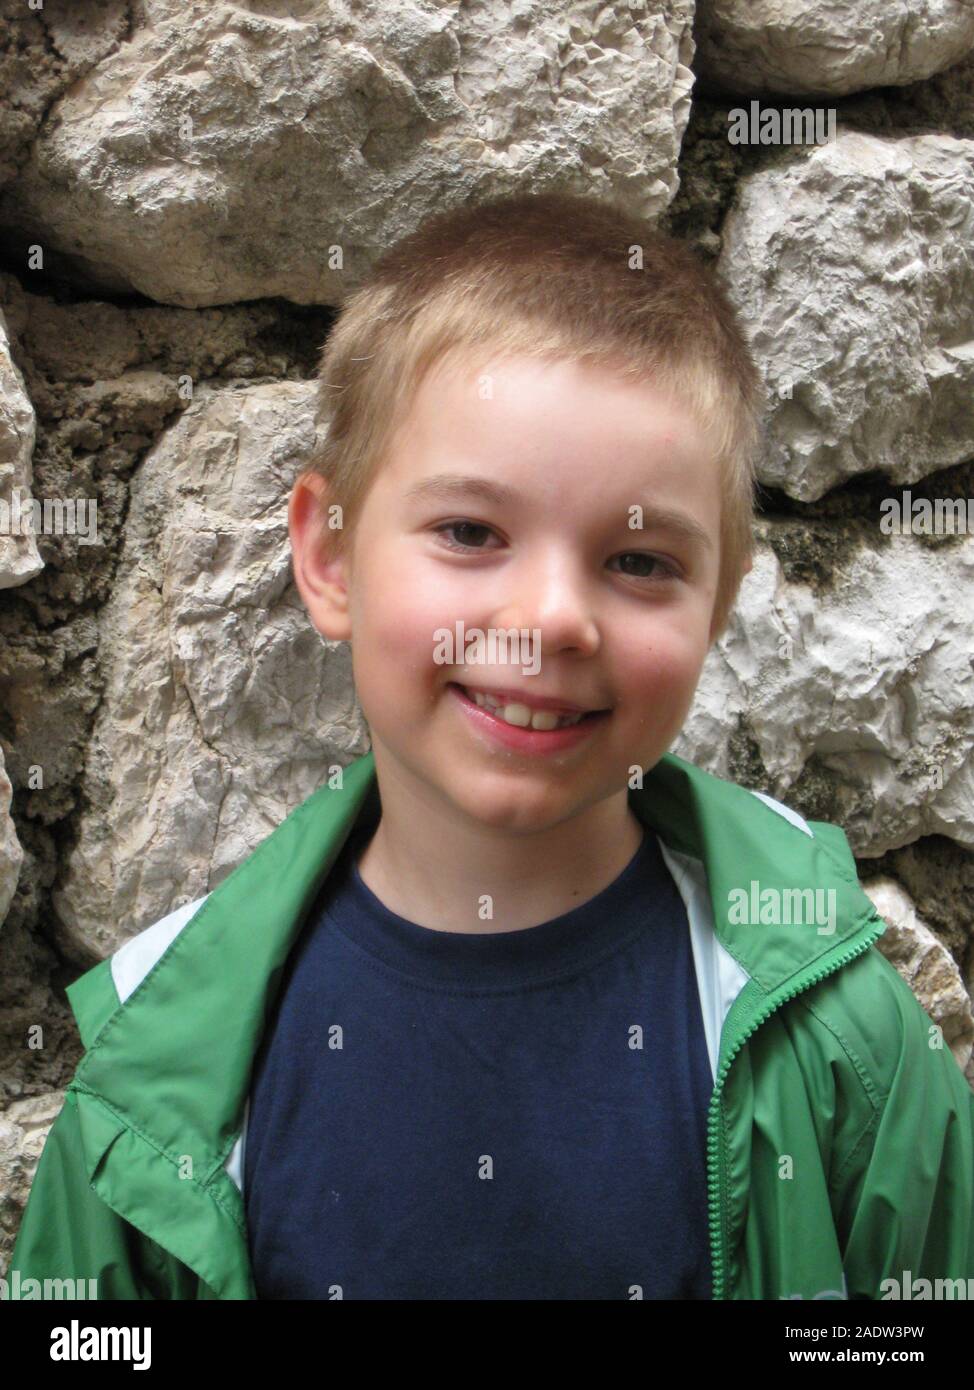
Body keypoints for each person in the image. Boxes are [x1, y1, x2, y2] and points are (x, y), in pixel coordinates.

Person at [7, 192, 973, 1301]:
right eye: (470, 532)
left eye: (642, 560)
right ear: (329, 557)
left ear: (717, 604)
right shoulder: (156, 1079)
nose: (553, 618)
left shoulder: (841, 1039)